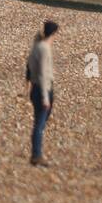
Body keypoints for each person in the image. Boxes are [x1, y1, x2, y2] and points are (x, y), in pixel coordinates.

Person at [26, 20, 59, 166]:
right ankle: (36, 155)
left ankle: (36, 152)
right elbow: (43, 74)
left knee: (39, 121)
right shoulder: (45, 48)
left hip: (35, 88)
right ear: (53, 33)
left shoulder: (36, 46)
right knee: (40, 122)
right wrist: (46, 97)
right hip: (42, 89)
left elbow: (30, 66)